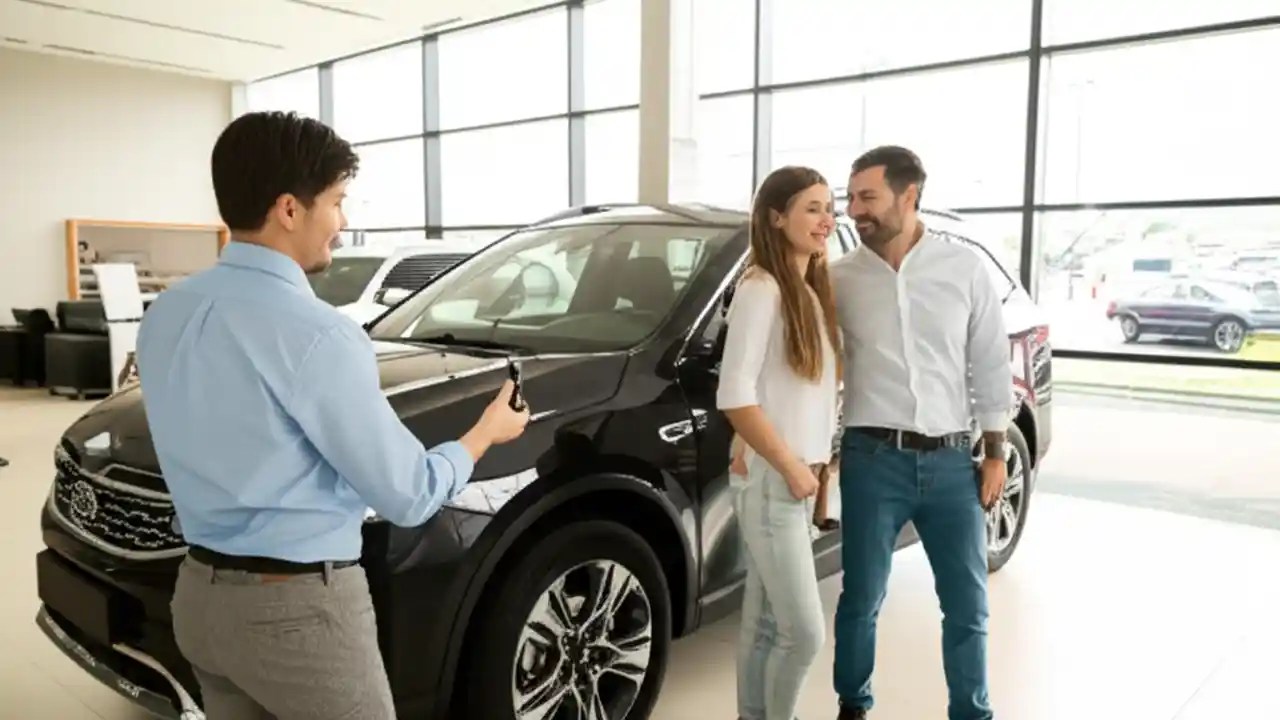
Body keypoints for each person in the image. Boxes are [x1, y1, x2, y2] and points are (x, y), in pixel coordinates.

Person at [135, 111, 530, 720]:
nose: (342, 223)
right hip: (296, 613)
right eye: (338, 202)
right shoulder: (319, 335)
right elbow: (409, 495)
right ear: (290, 209)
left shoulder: (167, 313)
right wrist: (484, 434)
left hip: (198, 600)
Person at [830, 145, 1012, 720]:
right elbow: (803, 359)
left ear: (909, 196)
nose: (854, 210)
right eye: (851, 197)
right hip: (870, 460)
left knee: (966, 603)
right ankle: (853, 705)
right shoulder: (837, 279)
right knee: (860, 598)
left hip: (953, 464)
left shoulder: (963, 269)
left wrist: (995, 452)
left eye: (868, 197)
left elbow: (989, 363)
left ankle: (971, 712)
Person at [717, 165, 842, 720]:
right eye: (812, 207)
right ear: (776, 216)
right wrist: (791, 467)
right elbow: (734, 395)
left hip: (788, 475)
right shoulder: (761, 287)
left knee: (766, 624)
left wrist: (816, 462)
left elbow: (795, 394)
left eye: (829, 207)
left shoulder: (808, 291)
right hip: (774, 479)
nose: (826, 219)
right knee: (805, 632)